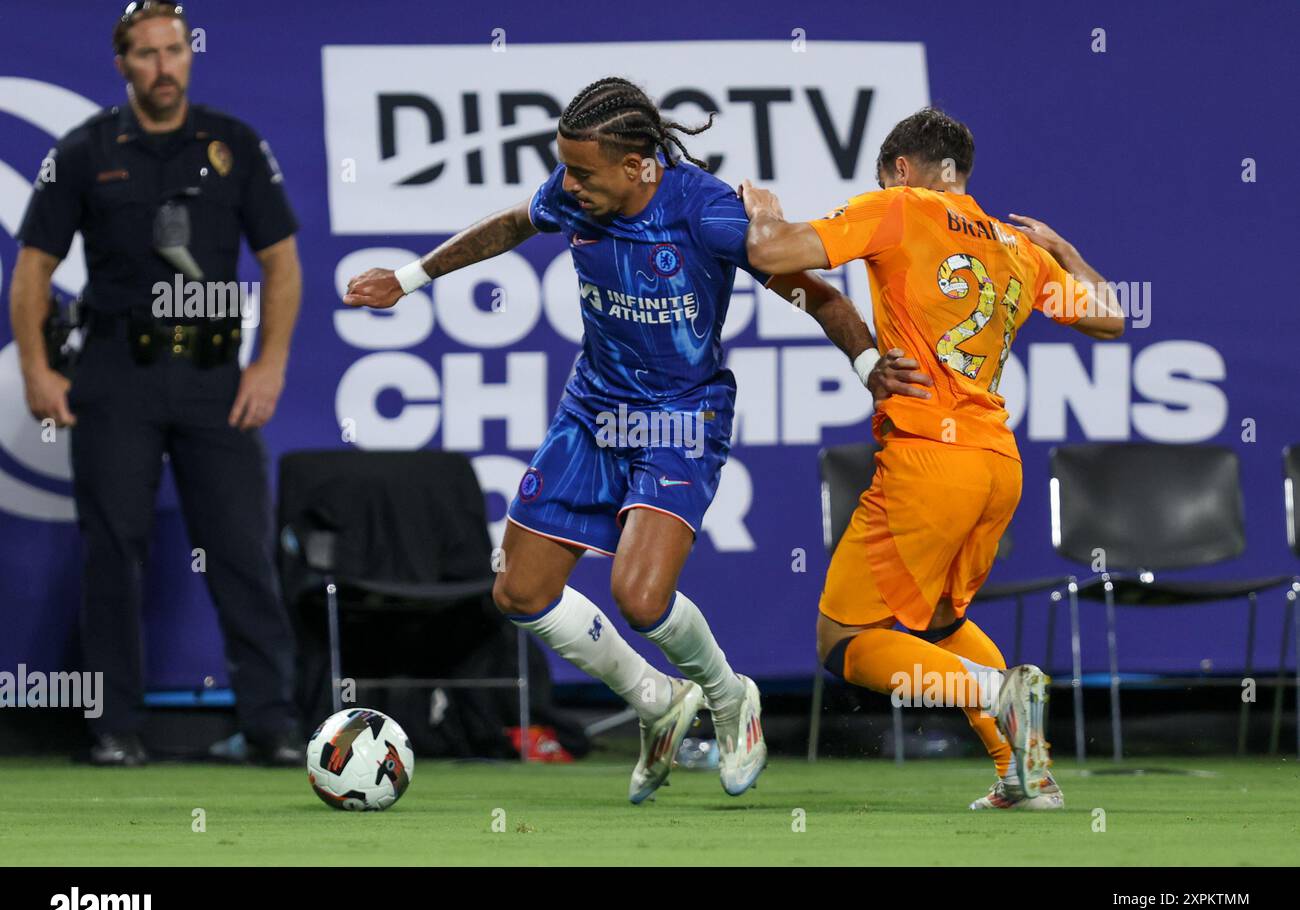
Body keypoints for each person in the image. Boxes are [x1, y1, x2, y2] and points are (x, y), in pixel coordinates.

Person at [344, 77, 921, 803]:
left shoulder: (705, 211)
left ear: (637, 162)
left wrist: (868, 362)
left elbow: (817, 293)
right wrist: (410, 277)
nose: (568, 184)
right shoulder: (574, 192)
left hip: (681, 417)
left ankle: (729, 696)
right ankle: (654, 699)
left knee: (640, 597)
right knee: (518, 590)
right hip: (593, 409)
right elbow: (514, 225)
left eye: (583, 171)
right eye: (565, 168)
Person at [740, 107, 1125, 809]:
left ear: (901, 168)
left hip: (927, 461)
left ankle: (992, 691)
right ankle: (1026, 774)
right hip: (995, 467)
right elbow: (1110, 314)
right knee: (942, 622)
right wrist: (1066, 250)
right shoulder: (1015, 244)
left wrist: (765, 214)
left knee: (843, 638)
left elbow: (772, 256)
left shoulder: (897, 206)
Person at [9, 1, 304, 765]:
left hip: (214, 377)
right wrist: (38, 368)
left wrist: (269, 363)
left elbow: (281, 262)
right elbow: (33, 269)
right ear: (123, 64)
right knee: (113, 549)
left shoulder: (233, 144)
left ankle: (271, 724)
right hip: (115, 375)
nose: (163, 66)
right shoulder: (85, 151)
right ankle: (113, 727)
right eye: (147, 54)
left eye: (174, 50)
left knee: (240, 547)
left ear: (189, 55)